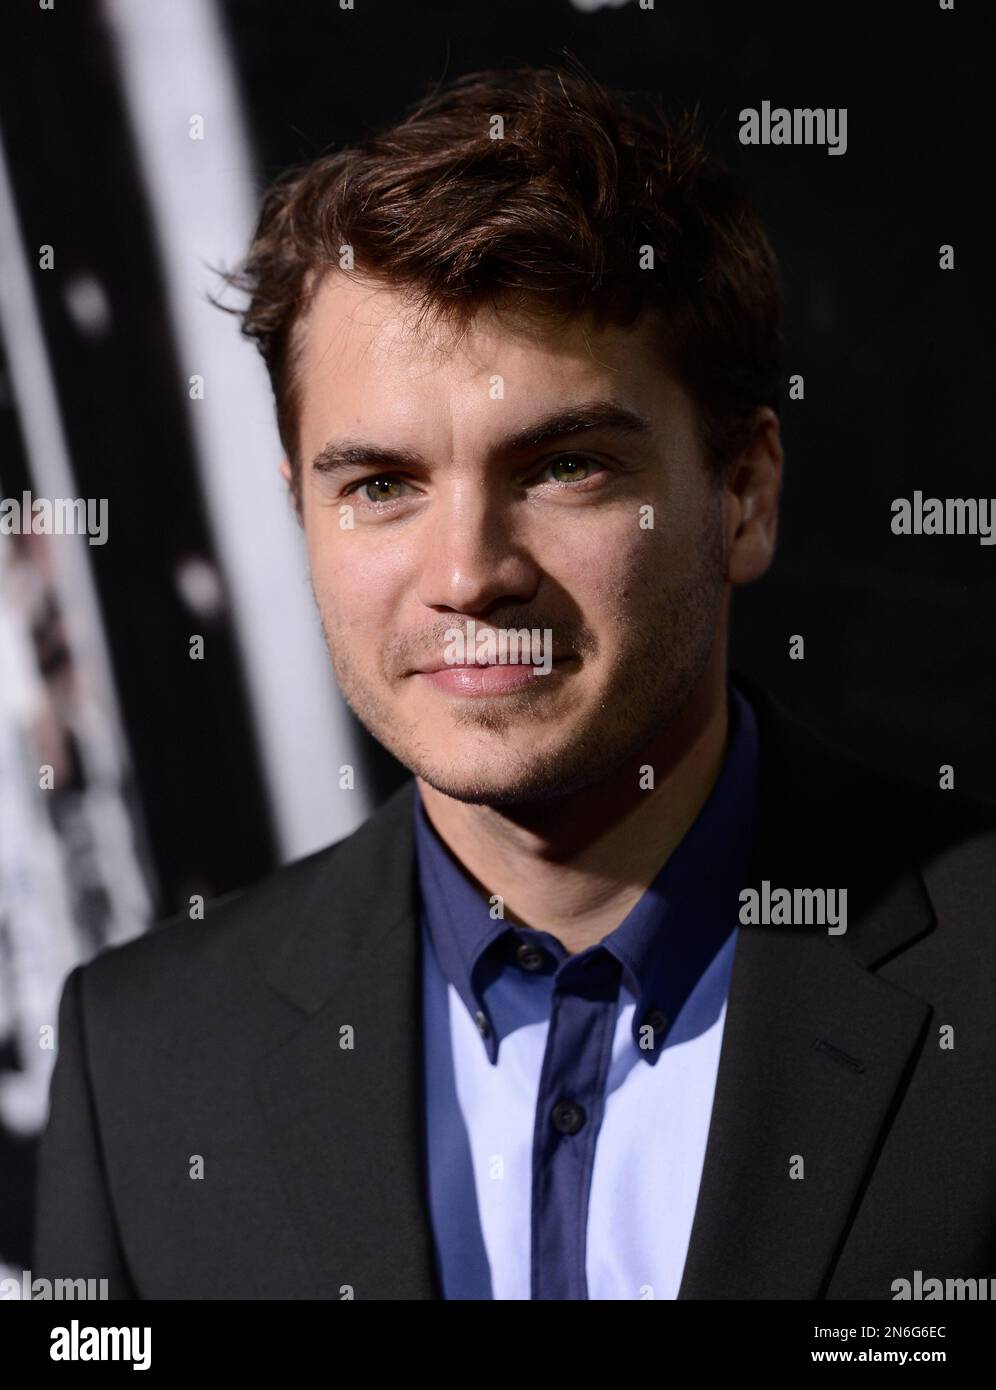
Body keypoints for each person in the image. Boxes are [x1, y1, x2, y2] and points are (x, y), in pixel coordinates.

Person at [32, 62, 996, 1301]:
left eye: (565, 467)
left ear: (746, 496)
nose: (468, 574)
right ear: (303, 516)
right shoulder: (144, 1064)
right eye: (380, 485)